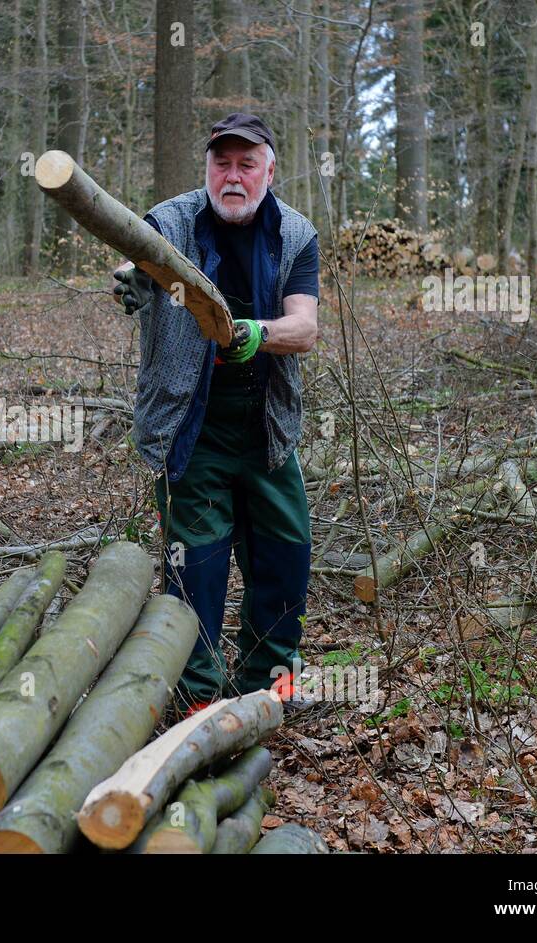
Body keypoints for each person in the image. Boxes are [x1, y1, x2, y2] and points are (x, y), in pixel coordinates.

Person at [113, 113, 319, 712]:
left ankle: (268, 685)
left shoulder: (295, 234)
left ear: (269, 171)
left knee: (286, 549)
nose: (232, 177)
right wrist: (129, 280)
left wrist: (256, 333)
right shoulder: (171, 221)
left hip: (265, 423)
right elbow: (135, 258)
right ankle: (197, 697)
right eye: (221, 164)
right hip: (190, 424)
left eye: (245, 164)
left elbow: (304, 328)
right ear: (207, 168)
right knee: (196, 564)